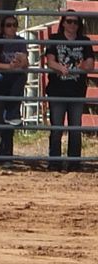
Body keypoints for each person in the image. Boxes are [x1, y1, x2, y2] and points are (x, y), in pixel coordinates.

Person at [43, 10, 95, 169]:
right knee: (56, 127)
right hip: (57, 90)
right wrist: (60, 67)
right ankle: (54, 162)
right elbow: (50, 61)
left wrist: (80, 67)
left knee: (75, 128)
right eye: (69, 21)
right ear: (63, 23)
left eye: (76, 22)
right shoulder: (54, 39)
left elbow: (90, 65)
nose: (73, 25)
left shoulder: (85, 41)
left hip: (77, 91)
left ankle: (74, 163)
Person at [0, 14, 28, 157]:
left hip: (14, 81)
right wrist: (8, 66)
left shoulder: (21, 41)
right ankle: (5, 152)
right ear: (3, 27)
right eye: (8, 25)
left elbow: (25, 62)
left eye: (14, 25)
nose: (11, 28)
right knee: (8, 114)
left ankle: (6, 154)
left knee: (9, 116)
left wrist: (19, 63)